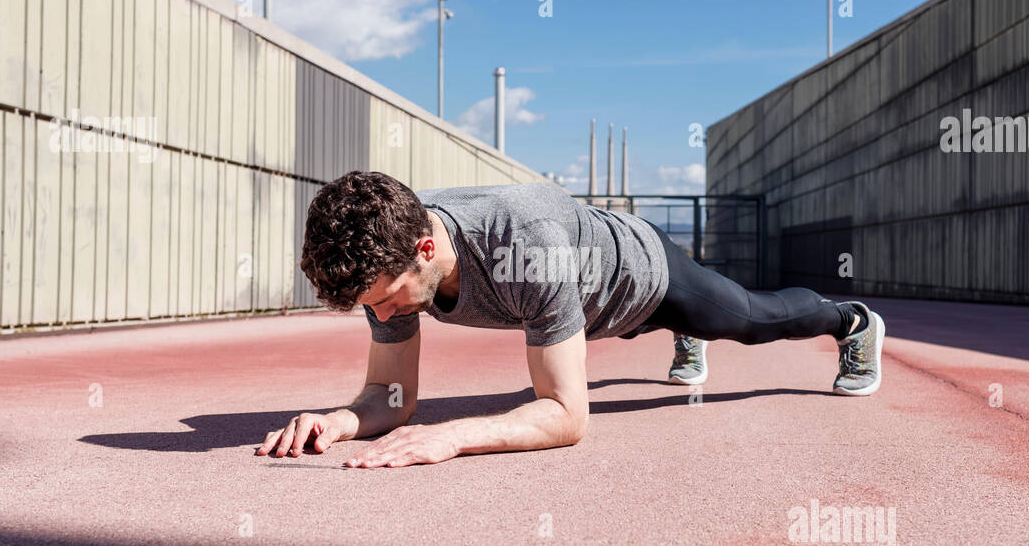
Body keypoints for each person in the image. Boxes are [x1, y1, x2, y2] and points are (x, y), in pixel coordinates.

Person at [257, 171, 885, 467]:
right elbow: (391, 399)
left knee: (751, 318)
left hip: (643, 282)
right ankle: (685, 339)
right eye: (371, 307)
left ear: (426, 249)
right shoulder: (390, 262)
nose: (384, 315)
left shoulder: (526, 242)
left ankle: (851, 322)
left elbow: (566, 417)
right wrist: (341, 419)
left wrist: (452, 436)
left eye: (388, 298)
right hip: (578, 304)